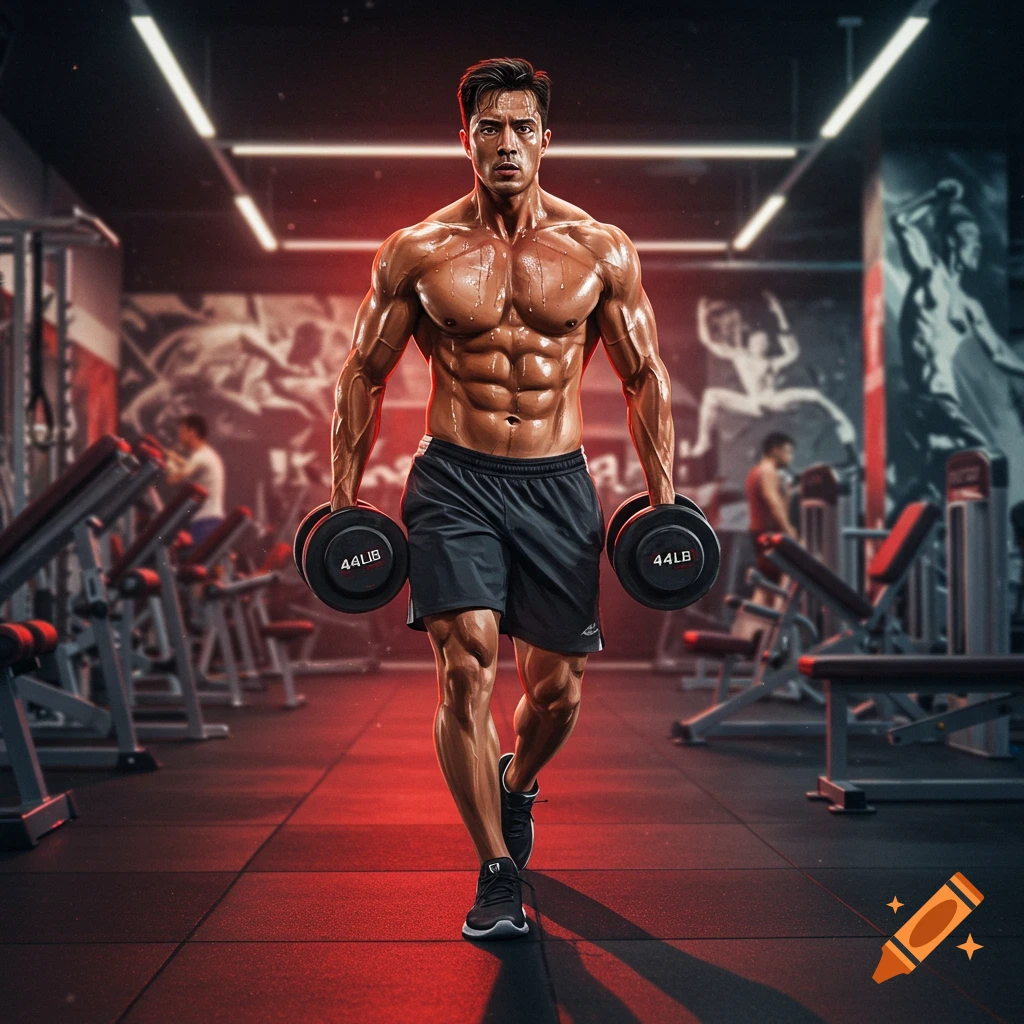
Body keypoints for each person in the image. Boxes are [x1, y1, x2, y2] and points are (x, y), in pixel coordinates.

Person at [329, 57, 674, 940]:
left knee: (557, 693)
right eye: (491, 128)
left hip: (557, 483)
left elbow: (644, 378)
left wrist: (664, 498)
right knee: (466, 658)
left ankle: (515, 785)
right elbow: (363, 373)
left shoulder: (601, 249)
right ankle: (493, 871)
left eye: (524, 128)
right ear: (466, 140)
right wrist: (340, 502)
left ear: (547, 139)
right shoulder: (418, 251)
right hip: (455, 479)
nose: (508, 143)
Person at [890, 177, 1024, 499]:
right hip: (928, 395)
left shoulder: (971, 305)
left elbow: (1000, 354)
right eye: (969, 237)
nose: (978, 246)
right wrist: (936, 195)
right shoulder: (929, 273)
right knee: (987, 461)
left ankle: (926, 506)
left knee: (954, 469)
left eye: (979, 238)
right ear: (950, 241)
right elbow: (900, 221)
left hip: (945, 400)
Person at [679, 292, 856, 460]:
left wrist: (779, 314)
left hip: (773, 399)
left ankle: (841, 420)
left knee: (814, 395)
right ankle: (704, 441)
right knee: (711, 395)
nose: (761, 343)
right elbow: (707, 341)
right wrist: (701, 315)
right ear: (751, 344)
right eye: (758, 340)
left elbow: (793, 353)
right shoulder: (740, 357)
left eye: (764, 341)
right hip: (752, 403)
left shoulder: (771, 363)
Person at [746, 432, 797, 596]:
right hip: (767, 533)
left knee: (770, 583)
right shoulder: (768, 471)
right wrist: (789, 531)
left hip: (761, 532)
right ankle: (766, 619)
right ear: (776, 450)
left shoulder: (757, 471)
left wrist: (787, 493)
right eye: (788, 452)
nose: (790, 458)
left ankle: (767, 618)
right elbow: (773, 504)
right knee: (772, 585)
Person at [166, 413, 226, 548]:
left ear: (192, 433)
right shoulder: (207, 454)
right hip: (212, 519)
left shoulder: (200, 457)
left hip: (205, 522)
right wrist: (176, 459)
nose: (179, 436)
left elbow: (173, 479)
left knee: (203, 565)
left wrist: (169, 463)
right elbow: (189, 467)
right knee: (211, 565)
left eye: (182, 432)